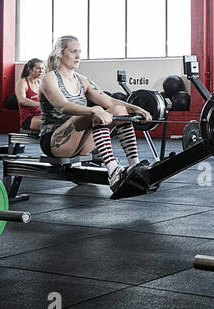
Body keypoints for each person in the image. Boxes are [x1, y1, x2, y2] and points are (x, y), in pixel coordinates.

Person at [38, 36, 151, 195]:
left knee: (118, 109)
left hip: (81, 143)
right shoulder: (49, 79)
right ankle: (112, 171)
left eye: (80, 51)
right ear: (60, 53)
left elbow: (110, 101)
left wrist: (135, 108)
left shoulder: (82, 80)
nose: (78, 56)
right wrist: (93, 110)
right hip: (55, 142)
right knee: (95, 110)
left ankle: (134, 165)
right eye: (73, 51)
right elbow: (62, 106)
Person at [15, 59, 43, 132]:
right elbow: (22, 100)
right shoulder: (22, 83)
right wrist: (40, 105)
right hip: (28, 119)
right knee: (51, 124)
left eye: (42, 68)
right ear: (30, 70)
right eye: (38, 68)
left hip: (40, 116)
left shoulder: (40, 83)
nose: (41, 71)